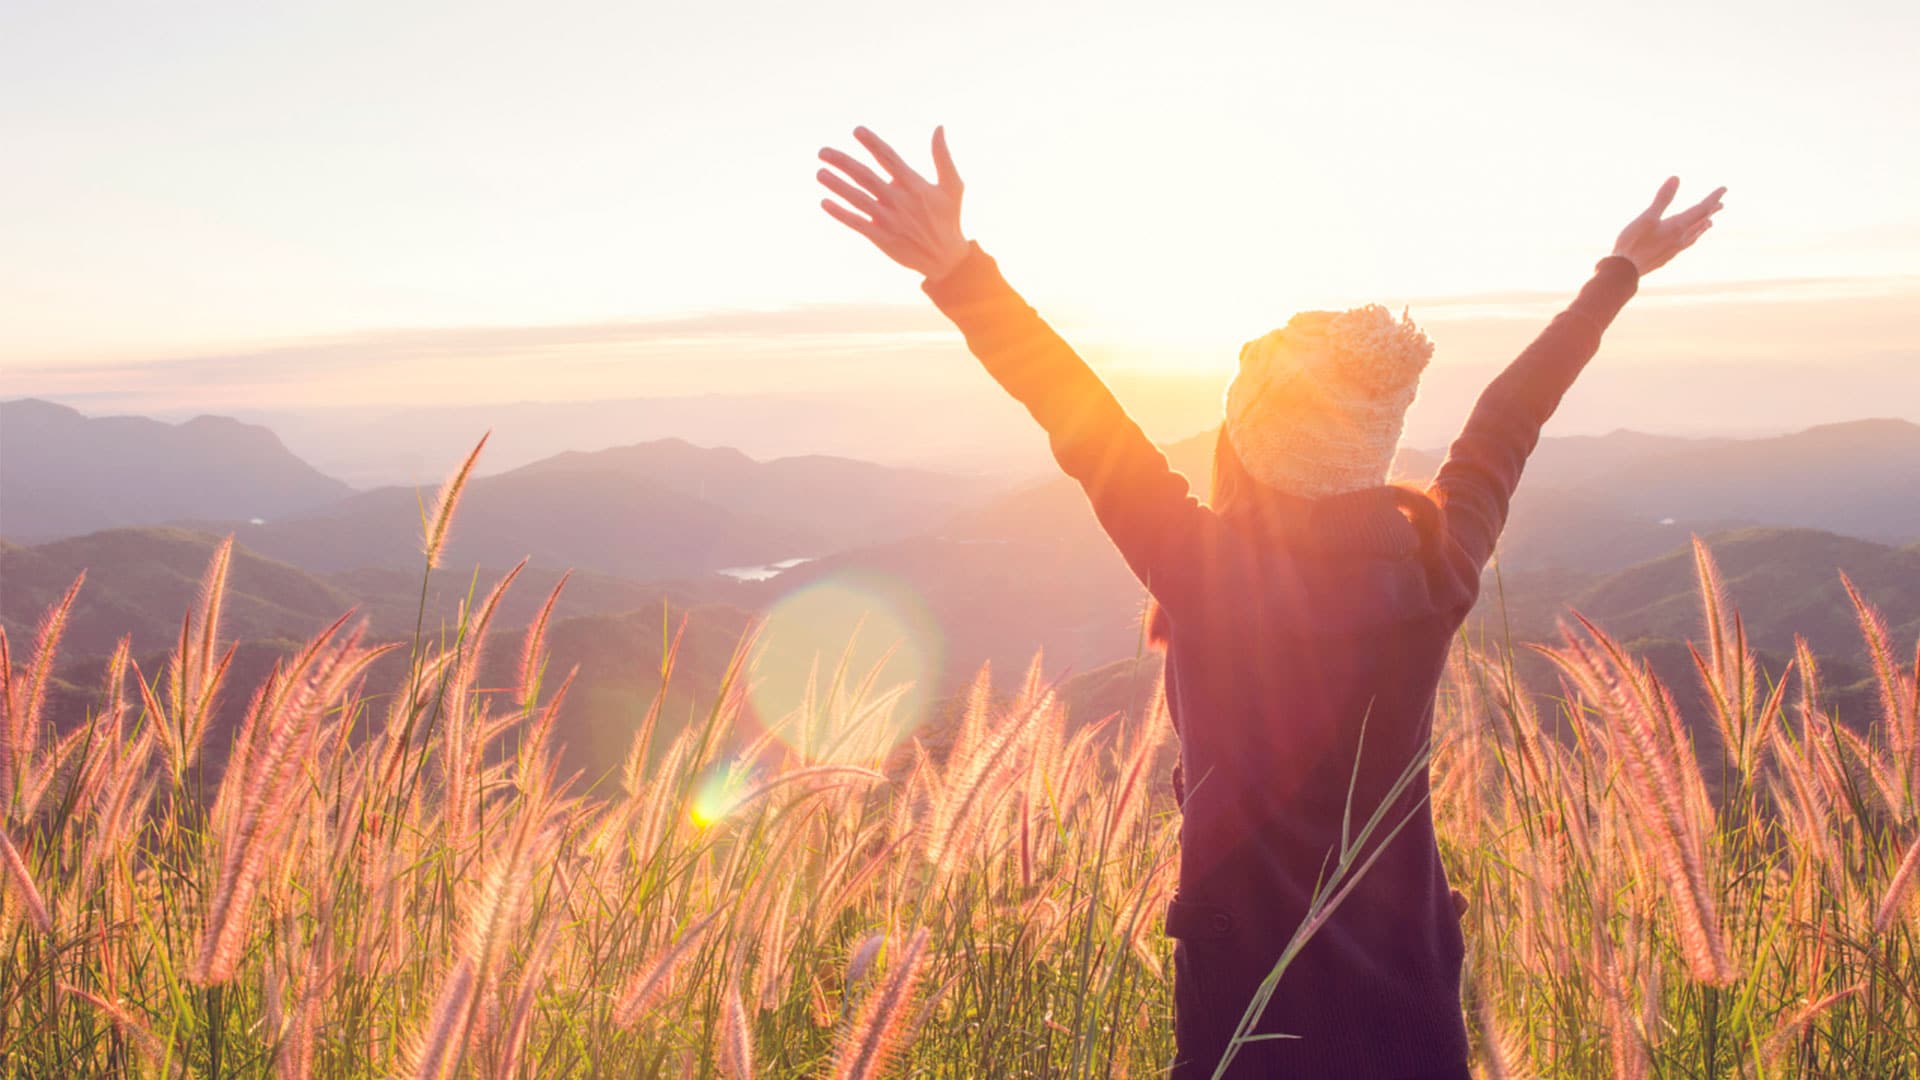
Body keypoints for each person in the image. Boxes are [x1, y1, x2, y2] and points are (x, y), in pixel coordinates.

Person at [816, 125, 1724, 1080]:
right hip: (1410, 1014)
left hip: (1250, 1018)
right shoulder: (1437, 567)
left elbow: (1079, 416)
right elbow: (1511, 417)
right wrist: (1620, 269)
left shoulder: (1207, 573)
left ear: (1243, 442)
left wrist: (959, 270)